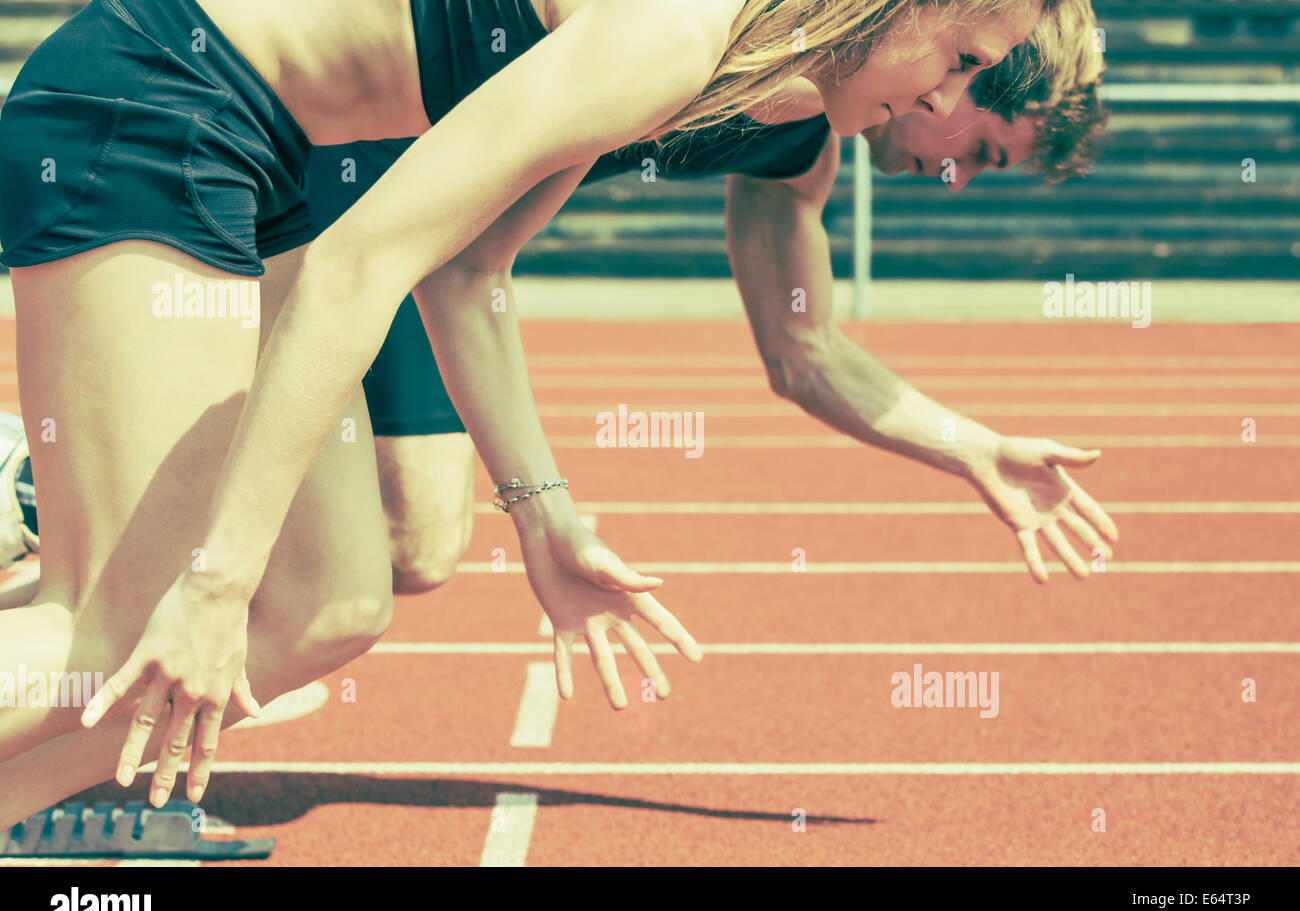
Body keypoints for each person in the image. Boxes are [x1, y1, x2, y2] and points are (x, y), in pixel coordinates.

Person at [0, 0, 1066, 826]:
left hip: (271, 153)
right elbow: (352, 271)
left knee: (328, 609)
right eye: (963, 59)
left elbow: (468, 273)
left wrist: (542, 513)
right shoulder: (677, 36)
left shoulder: (723, 71)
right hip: (156, 101)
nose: (939, 101)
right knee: (129, 625)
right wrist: (216, 578)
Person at [291, 0, 1110, 601]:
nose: (956, 181)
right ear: (962, 68)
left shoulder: (799, 143)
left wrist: (970, 449)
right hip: (350, 141)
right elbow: (469, 265)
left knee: (412, 546)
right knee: (345, 589)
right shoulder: (721, 46)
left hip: (427, 209)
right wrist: (545, 509)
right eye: (985, 156)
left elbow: (804, 350)